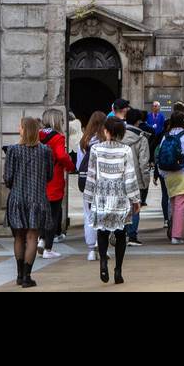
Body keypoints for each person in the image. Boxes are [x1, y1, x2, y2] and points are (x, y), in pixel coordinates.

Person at [83, 115, 141, 285]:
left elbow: (91, 175)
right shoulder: (125, 150)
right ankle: (118, 270)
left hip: (101, 195)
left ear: (106, 131)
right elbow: (130, 177)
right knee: (121, 233)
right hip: (120, 196)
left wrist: (88, 196)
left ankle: (103, 262)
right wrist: (135, 199)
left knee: (102, 231)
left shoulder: (96, 149)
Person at [4, 116, 55, 287]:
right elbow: (50, 175)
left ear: (24, 130)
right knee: (32, 236)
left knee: (19, 236)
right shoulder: (46, 151)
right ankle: (27, 276)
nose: (19, 129)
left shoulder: (13, 150)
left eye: (20, 127)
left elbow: (8, 178)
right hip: (37, 198)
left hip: (17, 197)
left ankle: (19, 275)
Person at [112, 101, 151, 246]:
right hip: (135, 178)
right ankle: (132, 236)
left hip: (118, 175)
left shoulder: (117, 135)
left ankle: (120, 232)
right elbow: (143, 163)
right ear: (138, 121)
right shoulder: (142, 138)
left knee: (121, 206)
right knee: (135, 207)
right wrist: (145, 181)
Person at [39, 107, 76, 259]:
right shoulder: (58, 137)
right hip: (54, 179)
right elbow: (61, 156)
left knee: (42, 214)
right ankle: (48, 248)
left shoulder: (38, 134)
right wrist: (70, 166)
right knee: (53, 215)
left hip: (39, 179)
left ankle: (41, 240)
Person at [157, 110, 184, 243]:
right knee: (181, 206)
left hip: (169, 174)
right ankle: (176, 235)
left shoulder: (166, 136)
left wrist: (162, 173)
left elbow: (161, 154)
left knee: (173, 204)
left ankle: (173, 230)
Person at [75, 110, 108, 261]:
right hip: (103, 182)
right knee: (103, 214)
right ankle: (102, 248)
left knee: (89, 215)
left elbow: (78, 165)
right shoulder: (106, 141)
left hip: (88, 182)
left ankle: (91, 249)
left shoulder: (84, 141)